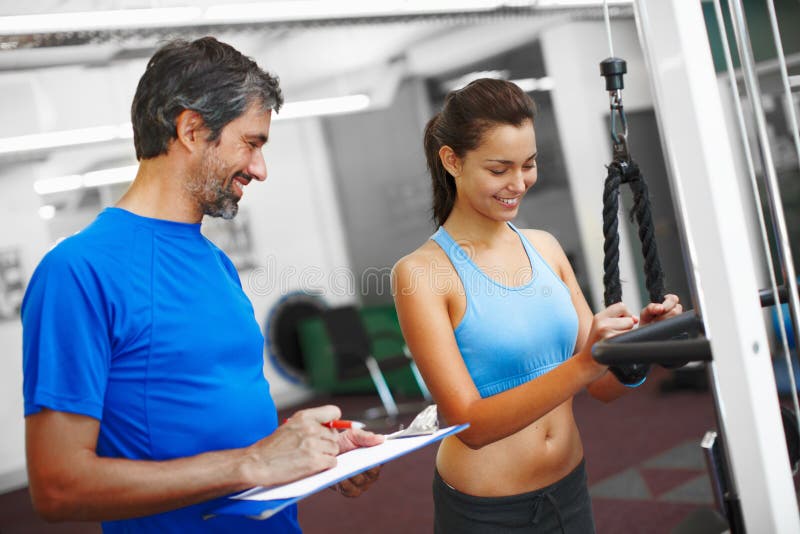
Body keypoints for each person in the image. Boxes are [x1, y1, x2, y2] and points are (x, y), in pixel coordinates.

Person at [21, 37, 381, 533]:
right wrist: (250, 463)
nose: (260, 169)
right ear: (191, 129)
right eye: (251, 143)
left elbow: (209, 420)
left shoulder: (215, 262)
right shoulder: (77, 271)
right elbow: (57, 486)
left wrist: (307, 448)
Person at [392, 78, 682, 533]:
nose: (518, 183)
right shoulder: (421, 272)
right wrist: (586, 362)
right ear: (452, 160)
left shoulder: (545, 248)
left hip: (569, 488)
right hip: (486, 511)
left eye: (528, 164)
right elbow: (471, 425)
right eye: (499, 168)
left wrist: (637, 342)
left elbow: (603, 386)